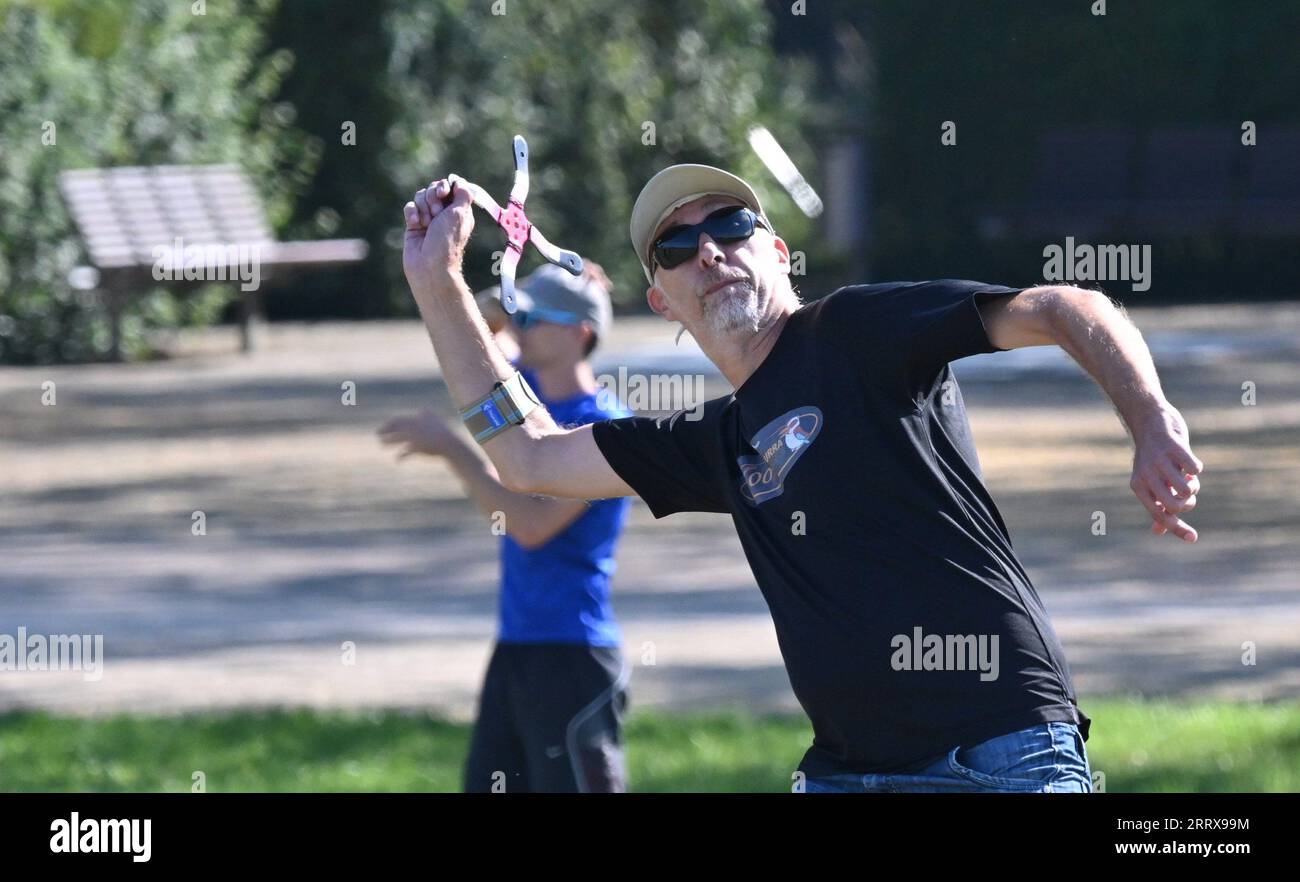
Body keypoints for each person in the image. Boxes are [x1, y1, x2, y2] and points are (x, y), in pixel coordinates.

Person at [397, 164, 1204, 793]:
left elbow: (1063, 304)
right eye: (677, 249)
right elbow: (529, 456)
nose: (708, 250)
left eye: (731, 224)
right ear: (663, 302)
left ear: (778, 252)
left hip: (996, 753)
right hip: (845, 773)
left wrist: (1152, 420)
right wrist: (438, 284)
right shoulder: (721, 440)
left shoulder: (857, 331)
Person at [378, 263, 633, 793]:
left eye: (537, 318)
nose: (520, 326)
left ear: (579, 333)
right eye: (521, 317)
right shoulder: (528, 396)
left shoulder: (606, 430)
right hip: (516, 648)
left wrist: (453, 450)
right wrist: (519, 294)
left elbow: (531, 525)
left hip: (574, 657)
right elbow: (484, 334)